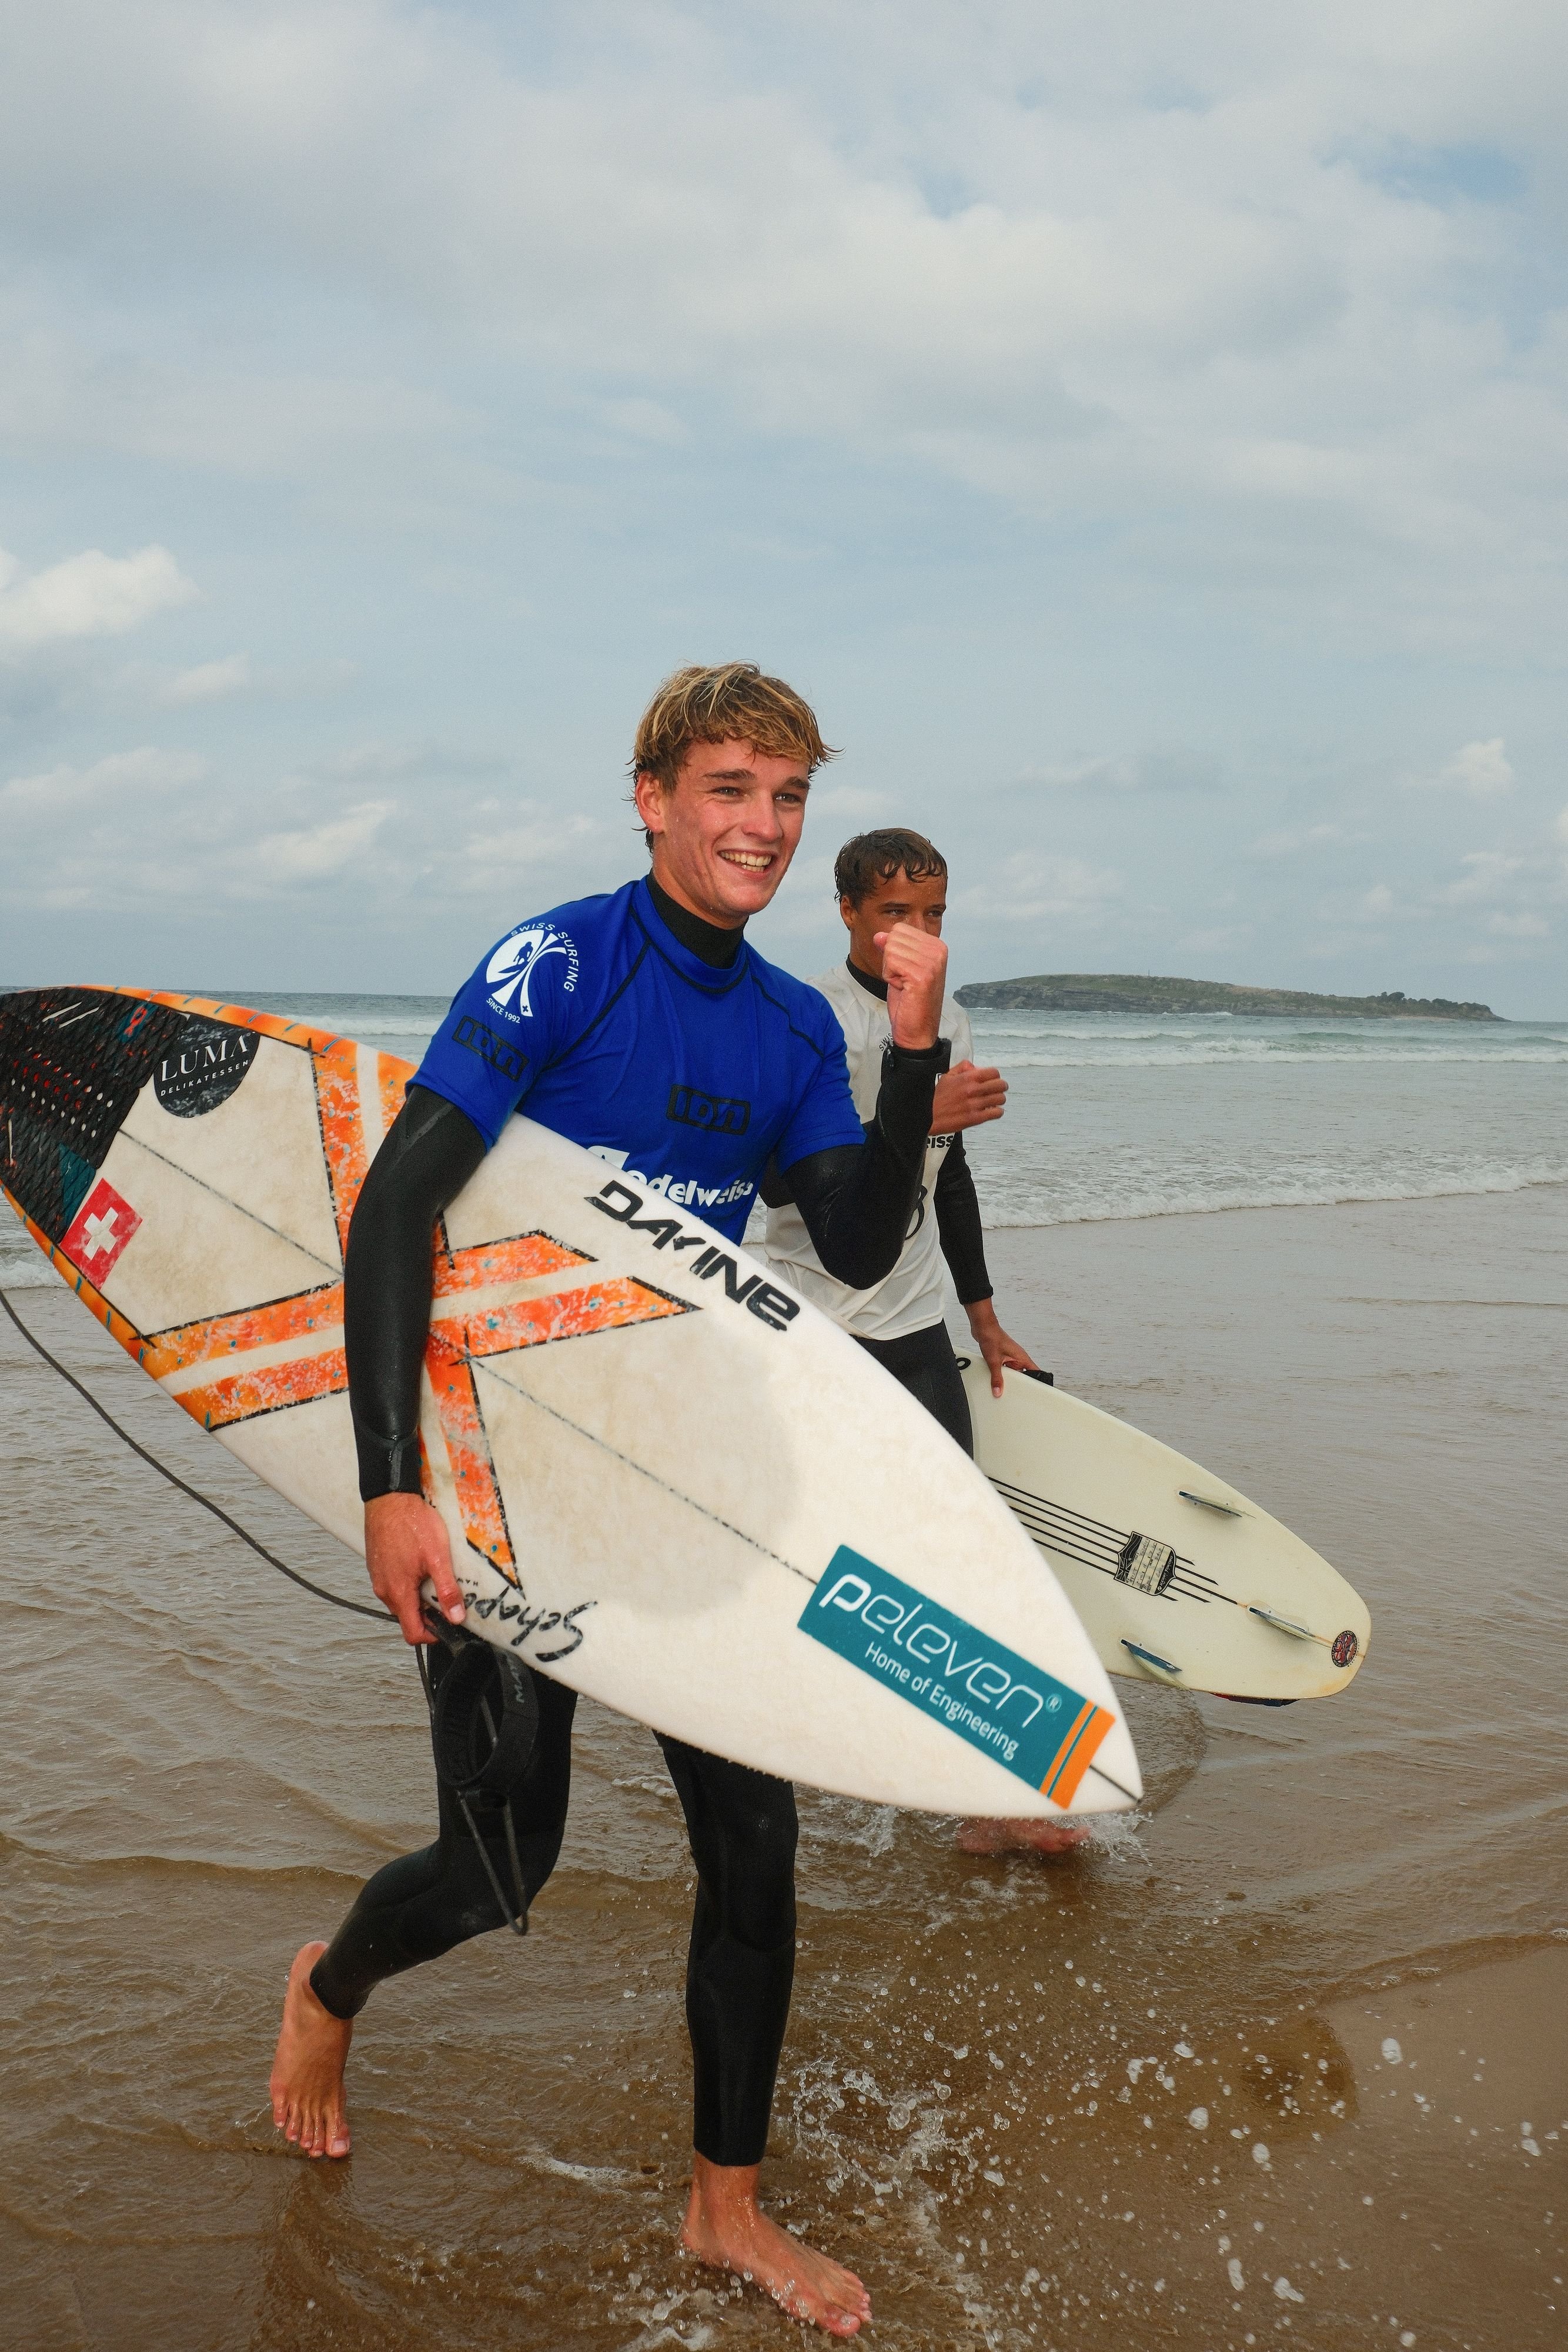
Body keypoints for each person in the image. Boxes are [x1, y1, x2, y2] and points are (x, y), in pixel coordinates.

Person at [268, 664, 952, 2340]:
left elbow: (854, 1246)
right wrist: (388, 1490)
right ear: (651, 797)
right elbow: (394, 1213)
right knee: (505, 1864)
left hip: (681, 1474)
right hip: (495, 1468)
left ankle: (726, 2208)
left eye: (786, 800)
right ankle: (327, 1982)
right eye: (730, 791)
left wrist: (911, 1053)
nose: (764, 831)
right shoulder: (559, 965)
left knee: (756, 1850)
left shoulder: (799, 1025)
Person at [763, 828, 1087, 1859]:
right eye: (897, 915)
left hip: (914, 1322)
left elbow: (946, 1172)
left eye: (936, 916)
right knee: (832, 1560)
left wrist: (983, 1317)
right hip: (811, 1330)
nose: (919, 935)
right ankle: (786, 1739)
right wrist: (907, 1108)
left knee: (961, 1553)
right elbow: (776, 1181)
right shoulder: (803, 1014)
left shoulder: (951, 1011)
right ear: (850, 912)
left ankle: (988, 1793)